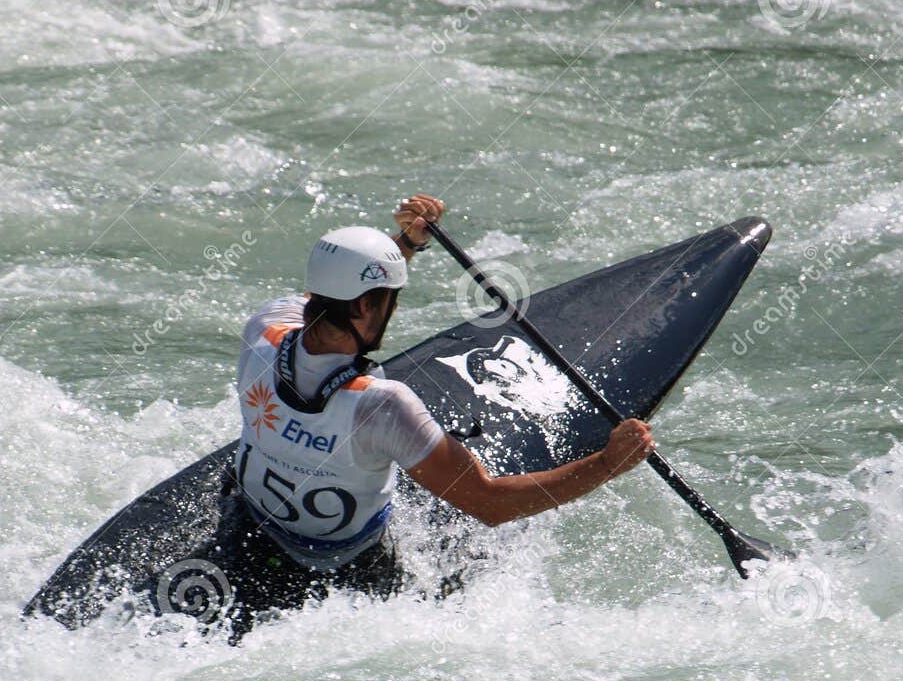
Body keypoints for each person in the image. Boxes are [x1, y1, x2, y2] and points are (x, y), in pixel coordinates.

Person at [171, 195, 656, 638]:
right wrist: (609, 463)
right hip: (342, 581)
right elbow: (489, 504)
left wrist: (403, 246)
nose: (392, 313)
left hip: (245, 537)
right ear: (367, 306)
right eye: (391, 302)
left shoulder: (262, 331)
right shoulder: (383, 406)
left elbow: (329, 298)